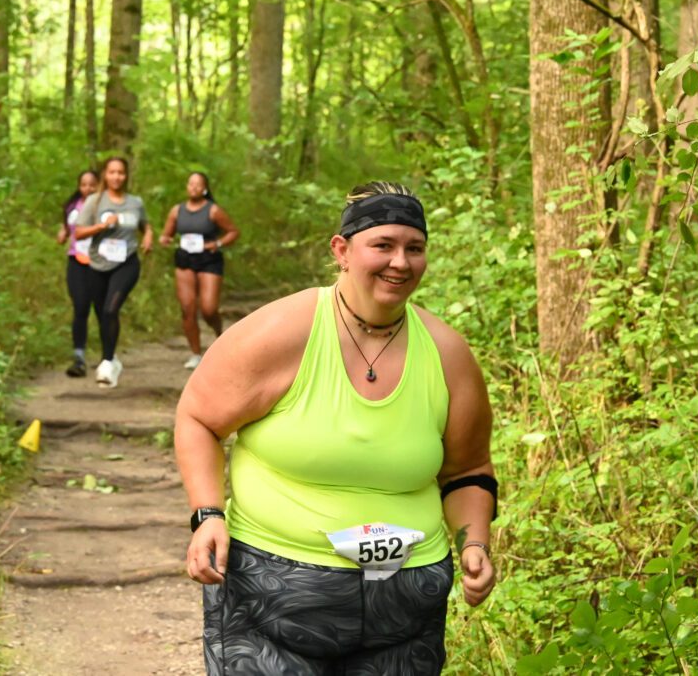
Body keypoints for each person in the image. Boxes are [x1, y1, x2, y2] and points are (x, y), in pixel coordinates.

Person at [175, 181, 497, 674]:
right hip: (274, 604)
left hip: (404, 614)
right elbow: (198, 417)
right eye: (383, 245)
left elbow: (468, 470)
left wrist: (474, 544)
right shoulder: (283, 331)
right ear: (342, 250)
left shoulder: (447, 353)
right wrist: (207, 514)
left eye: (415, 248)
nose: (401, 262)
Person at [71, 156, 154, 388]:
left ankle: (107, 362)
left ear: (126, 176)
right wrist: (101, 226)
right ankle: (112, 357)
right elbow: (77, 233)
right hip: (98, 264)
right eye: (112, 172)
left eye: (121, 173)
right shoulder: (94, 202)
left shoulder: (135, 202)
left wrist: (148, 237)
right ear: (105, 176)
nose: (116, 177)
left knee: (110, 309)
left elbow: (145, 225)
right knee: (102, 315)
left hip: (126, 262)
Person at [159, 172, 241, 370]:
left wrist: (217, 243)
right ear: (187, 187)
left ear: (204, 188)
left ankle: (219, 335)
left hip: (208, 260)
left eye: (198, 184)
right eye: (191, 184)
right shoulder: (177, 211)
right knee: (187, 308)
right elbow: (166, 234)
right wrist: (165, 240)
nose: (194, 187)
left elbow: (233, 232)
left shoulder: (213, 211)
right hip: (185, 259)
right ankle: (196, 354)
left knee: (208, 308)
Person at [55, 169, 100, 377]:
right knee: (80, 306)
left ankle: (107, 356)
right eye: (84, 184)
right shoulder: (73, 205)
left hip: (100, 262)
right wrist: (63, 232)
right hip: (76, 260)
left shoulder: (104, 204)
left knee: (103, 310)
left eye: (92, 184)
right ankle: (79, 356)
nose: (87, 188)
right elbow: (68, 227)